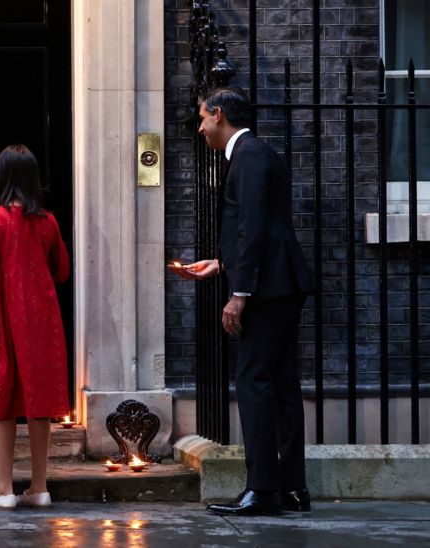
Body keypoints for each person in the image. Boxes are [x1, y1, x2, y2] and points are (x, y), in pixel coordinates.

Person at [174, 86, 313, 516]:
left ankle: (263, 490)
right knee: (283, 386)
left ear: (218, 115)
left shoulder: (247, 156)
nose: (200, 128)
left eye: (202, 119)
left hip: (266, 290)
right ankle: (292, 487)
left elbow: (252, 226)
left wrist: (239, 294)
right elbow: (261, 227)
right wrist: (221, 263)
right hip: (280, 283)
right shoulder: (259, 153)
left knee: (253, 383)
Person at [0, 145, 71, 510]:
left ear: (1, 178)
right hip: (43, 319)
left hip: (3, 316)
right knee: (39, 402)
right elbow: (62, 271)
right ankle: (39, 487)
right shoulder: (49, 222)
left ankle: (5, 488)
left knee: (1, 398)